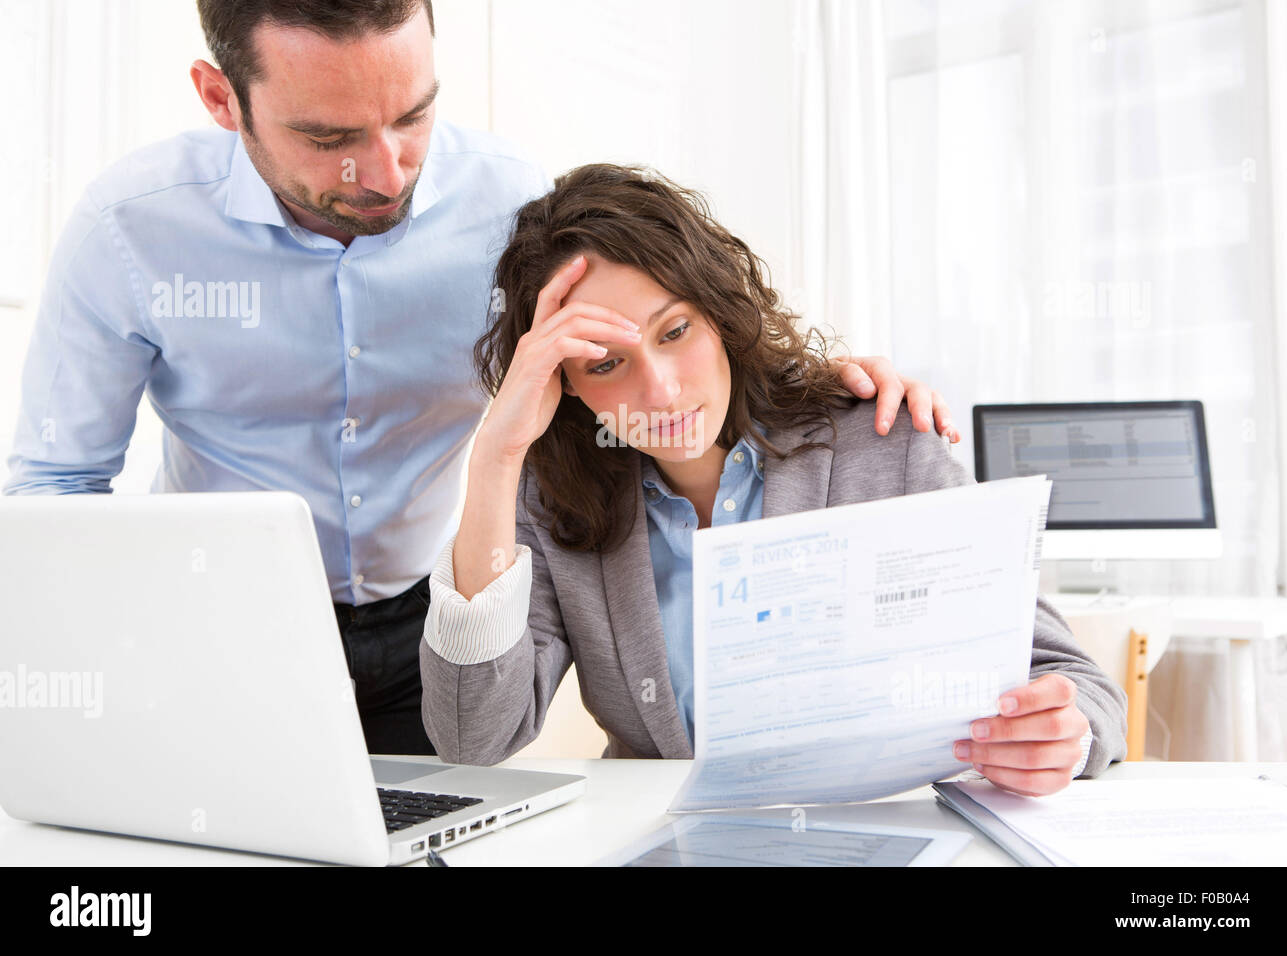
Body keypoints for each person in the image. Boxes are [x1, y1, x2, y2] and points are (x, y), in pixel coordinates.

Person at [2, 1, 947, 756]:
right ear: (221, 97)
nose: (385, 170)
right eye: (331, 134)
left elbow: (642, 311)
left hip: (434, 618)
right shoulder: (130, 232)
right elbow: (51, 490)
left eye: (412, 115)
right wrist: (89, 687)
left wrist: (793, 381)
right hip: (222, 632)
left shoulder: (506, 203)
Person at [420, 163, 1128, 797]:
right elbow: (474, 739)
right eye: (605, 363)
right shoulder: (551, 501)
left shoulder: (884, 444)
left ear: (719, 315)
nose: (662, 394)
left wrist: (1065, 735)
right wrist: (495, 457)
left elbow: (1083, 686)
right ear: (564, 383)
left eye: (675, 332)